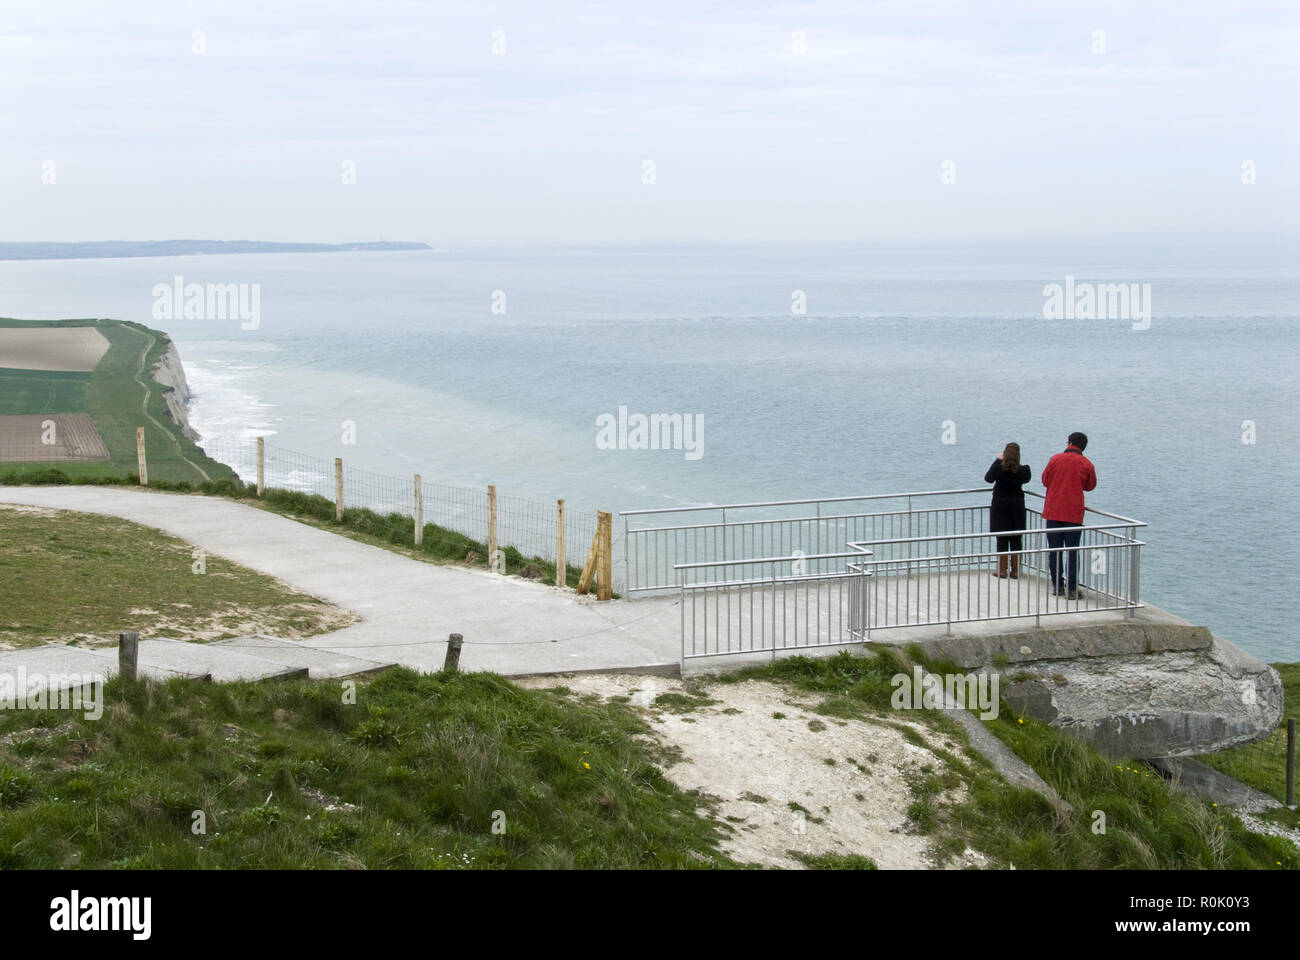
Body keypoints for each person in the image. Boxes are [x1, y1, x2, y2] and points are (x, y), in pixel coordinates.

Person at [1040, 431, 1097, 599]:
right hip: (1073, 513)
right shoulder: (1087, 464)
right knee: (1072, 551)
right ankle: (1072, 589)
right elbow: (1090, 485)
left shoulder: (1055, 459)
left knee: (1054, 550)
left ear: (1069, 442)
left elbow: (1045, 480)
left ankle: (1057, 586)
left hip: (1054, 510)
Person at [984, 442, 1031, 578]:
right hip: (1017, 507)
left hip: (1000, 507)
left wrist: (997, 460)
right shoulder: (1024, 470)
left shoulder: (999, 469)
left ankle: (1002, 570)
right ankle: (1016, 570)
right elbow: (1026, 479)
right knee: (1016, 539)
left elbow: (988, 478)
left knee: (1002, 538)